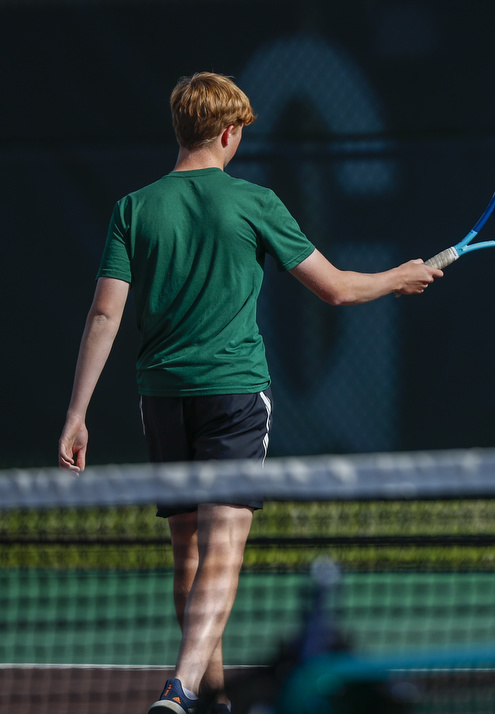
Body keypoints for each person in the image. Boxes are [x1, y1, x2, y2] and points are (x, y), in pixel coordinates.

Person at [57, 72, 442, 714]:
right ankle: (180, 689)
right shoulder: (255, 201)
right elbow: (338, 289)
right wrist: (398, 278)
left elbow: (104, 315)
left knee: (188, 549)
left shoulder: (134, 208)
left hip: (161, 397)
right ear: (230, 133)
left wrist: (77, 413)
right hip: (234, 395)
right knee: (223, 549)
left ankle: (213, 698)